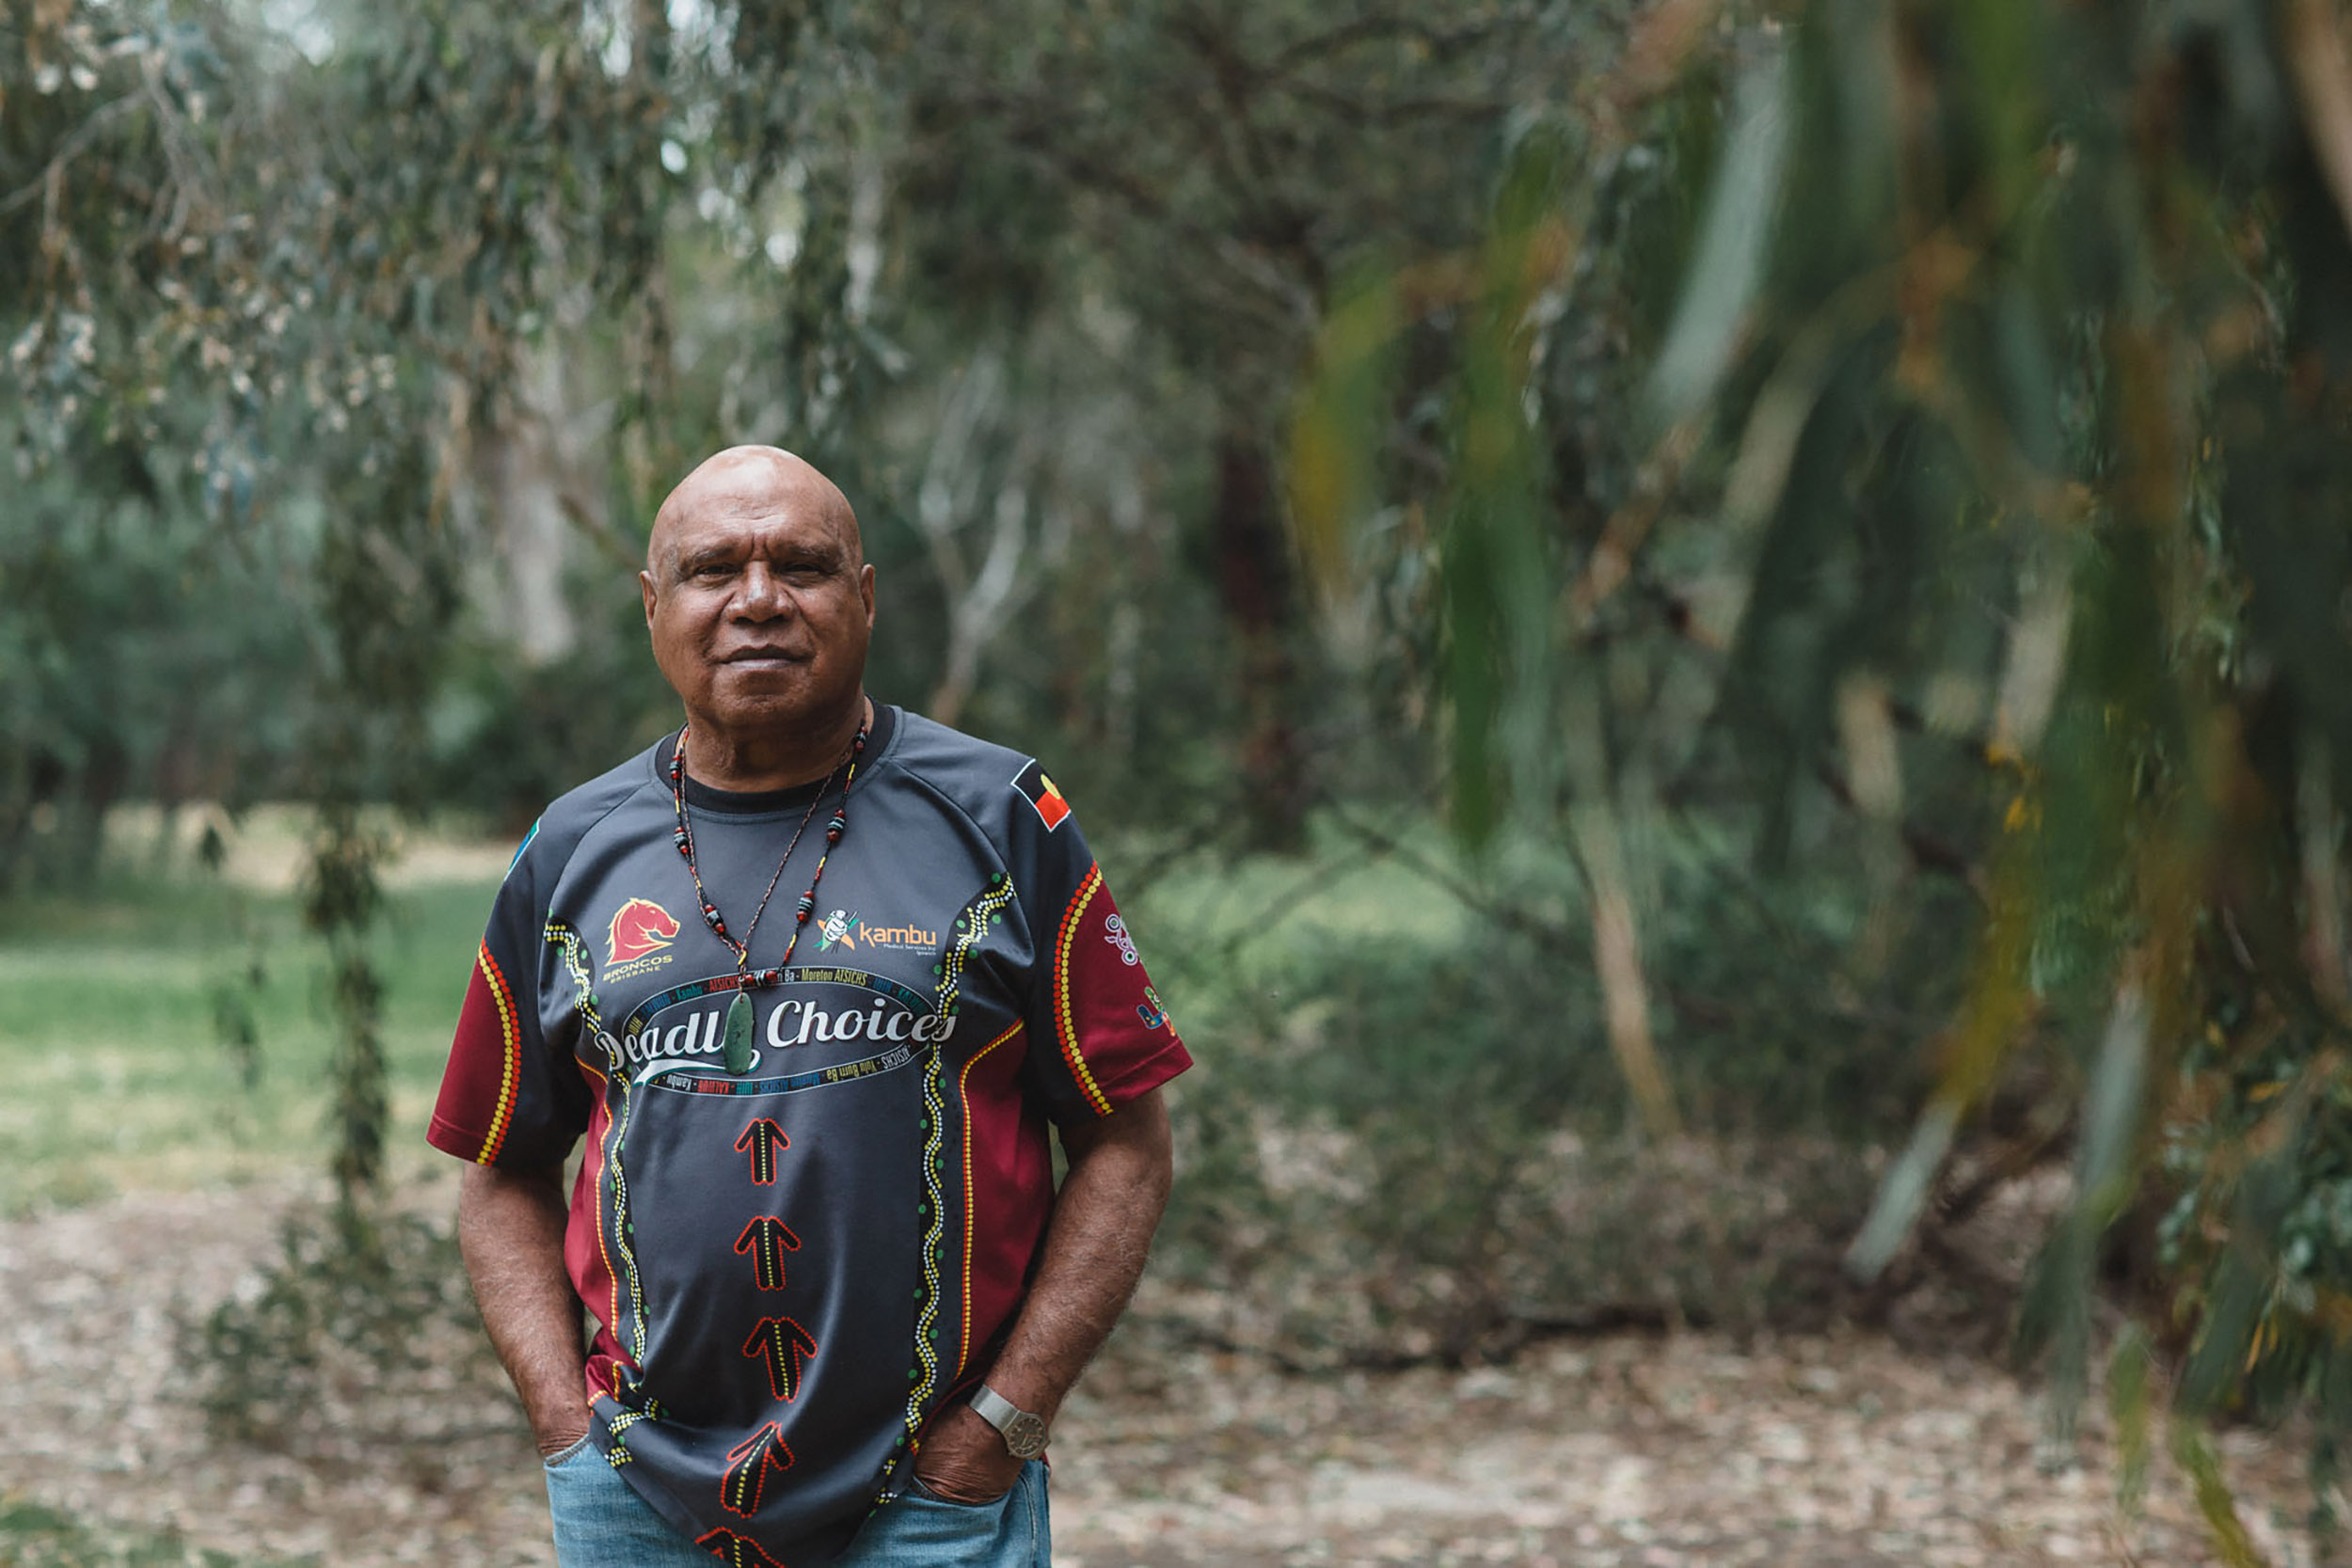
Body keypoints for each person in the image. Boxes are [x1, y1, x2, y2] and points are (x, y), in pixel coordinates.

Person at [427, 446, 1191, 1568]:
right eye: (711, 569)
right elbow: (500, 1166)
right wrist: (563, 1423)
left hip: (933, 1499)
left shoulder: (998, 813)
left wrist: (1004, 1424)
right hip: (638, 1494)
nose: (756, 601)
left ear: (865, 597)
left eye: (801, 564)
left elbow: (1126, 1137)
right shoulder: (571, 849)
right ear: (654, 607)